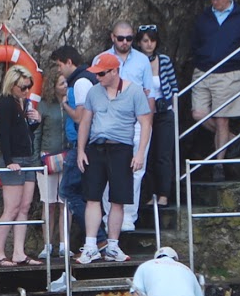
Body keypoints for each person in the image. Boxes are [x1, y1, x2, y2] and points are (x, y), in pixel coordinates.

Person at [75, 53, 151, 264]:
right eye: (96, 74)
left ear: (114, 71)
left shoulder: (134, 91)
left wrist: (140, 153)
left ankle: (113, 245)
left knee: (117, 199)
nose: (98, 77)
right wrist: (81, 150)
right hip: (96, 147)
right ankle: (91, 245)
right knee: (92, 197)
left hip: (122, 148)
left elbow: (146, 123)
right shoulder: (93, 92)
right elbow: (85, 122)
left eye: (101, 73)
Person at [188, 0, 240, 181]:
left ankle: (218, 164)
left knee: (221, 120)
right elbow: (195, 42)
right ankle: (233, 140)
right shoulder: (204, 18)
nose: (214, 2)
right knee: (198, 114)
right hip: (203, 71)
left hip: (228, 72)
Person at [105, 21, 159, 231]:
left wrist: (148, 122)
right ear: (113, 37)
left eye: (129, 38)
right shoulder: (103, 59)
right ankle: (108, 216)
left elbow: (150, 93)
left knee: (136, 169)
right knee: (109, 170)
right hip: (112, 122)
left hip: (137, 121)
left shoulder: (142, 60)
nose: (125, 42)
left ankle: (129, 216)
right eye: (121, 38)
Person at [51, 45, 99, 261]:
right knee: (83, 193)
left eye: (60, 65)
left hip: (82, 145)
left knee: (68, 191)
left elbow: (80, 116)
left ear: (69, 61)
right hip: (87, 144)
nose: (59, 71)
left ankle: (99, 235)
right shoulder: (85, 79)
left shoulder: (80, 83)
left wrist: (64, 105)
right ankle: (98, 236)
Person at [0, 65, 41, 266]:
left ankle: (19, 252)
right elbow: (5, 135)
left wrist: (35, 121)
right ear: (12, 85)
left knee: (24, 207)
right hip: (15, 160)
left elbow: (26, 132)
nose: (27, 91)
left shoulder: (24, 102)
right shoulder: (5, 104)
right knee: (10, 208)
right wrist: (9, 161)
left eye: (29, 87)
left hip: (28, 158)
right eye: (23, 87)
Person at [134, 24, 178, 208]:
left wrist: (171, 107)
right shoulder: (135, 62)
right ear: (139, 42)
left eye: (152, 40)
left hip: (163, 113)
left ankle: (163, 195)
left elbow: (174, 86)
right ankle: (149, 193)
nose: (149, 44)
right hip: (142, 115)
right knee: (146, 154)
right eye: (145, 41)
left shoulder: (164, 61)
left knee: (163, 154)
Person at [34, 71, 70, 257]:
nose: (66, 86)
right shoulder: (44, 106)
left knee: (65, 202)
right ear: (53, 86)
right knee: (49, 203)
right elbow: (37, 133)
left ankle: (64, 243)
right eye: (62, 83)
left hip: (67, 156)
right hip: (47, 157)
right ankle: (48, 245)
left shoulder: (70, 103)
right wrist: (36, 159)